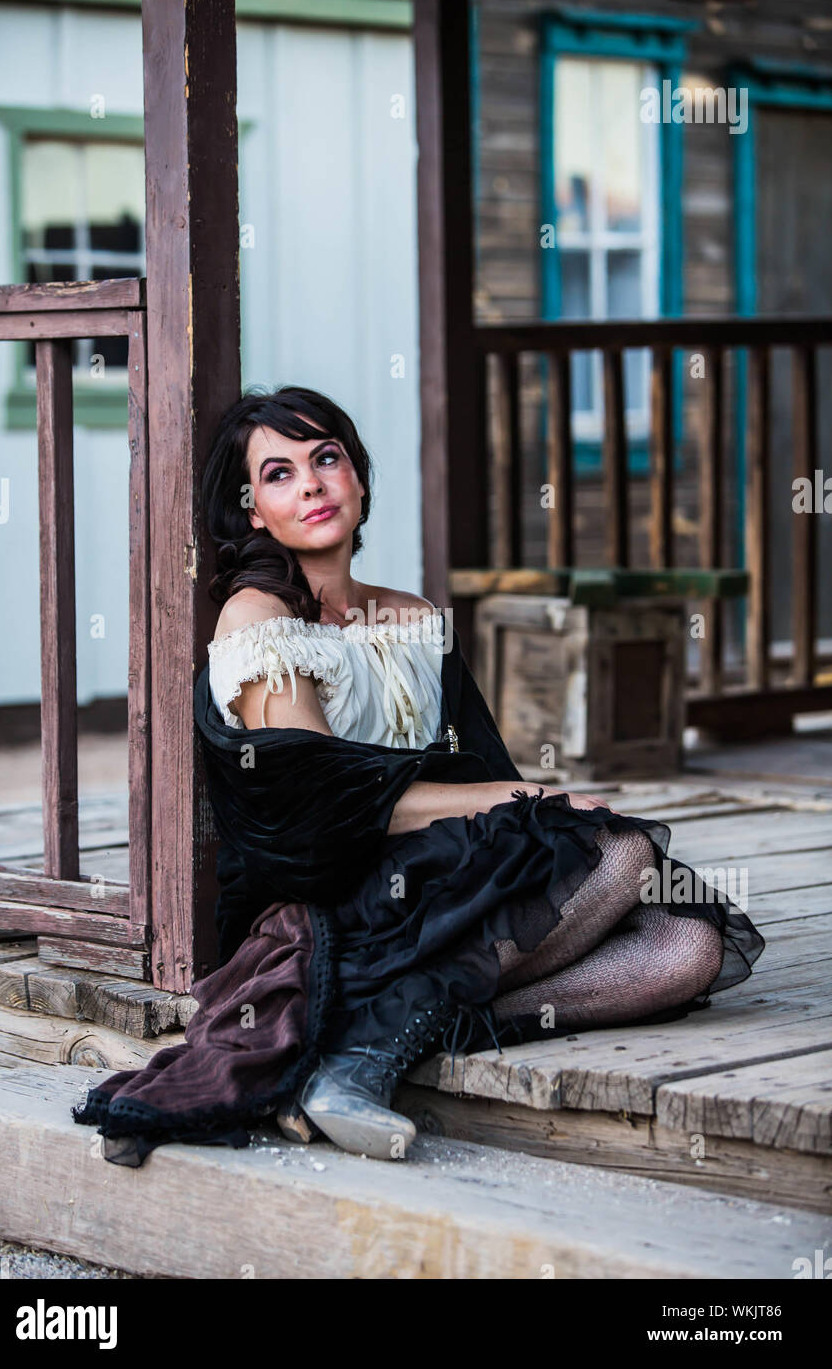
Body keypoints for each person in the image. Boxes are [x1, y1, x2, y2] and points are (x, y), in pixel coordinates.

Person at [71, 386, 765, 1167]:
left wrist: (526, 812)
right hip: (329, 898)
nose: (311, 483)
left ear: (359, 479)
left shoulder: (415, 618)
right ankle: (359, 1052)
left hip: (437, 875)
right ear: (256, 513)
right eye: (278, 473)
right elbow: (317, 800)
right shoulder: (259, 618)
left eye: (326, 458)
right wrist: (526, 799)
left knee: (684, 948)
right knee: (620, 854)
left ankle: (376, 1035)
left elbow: (480, 763)